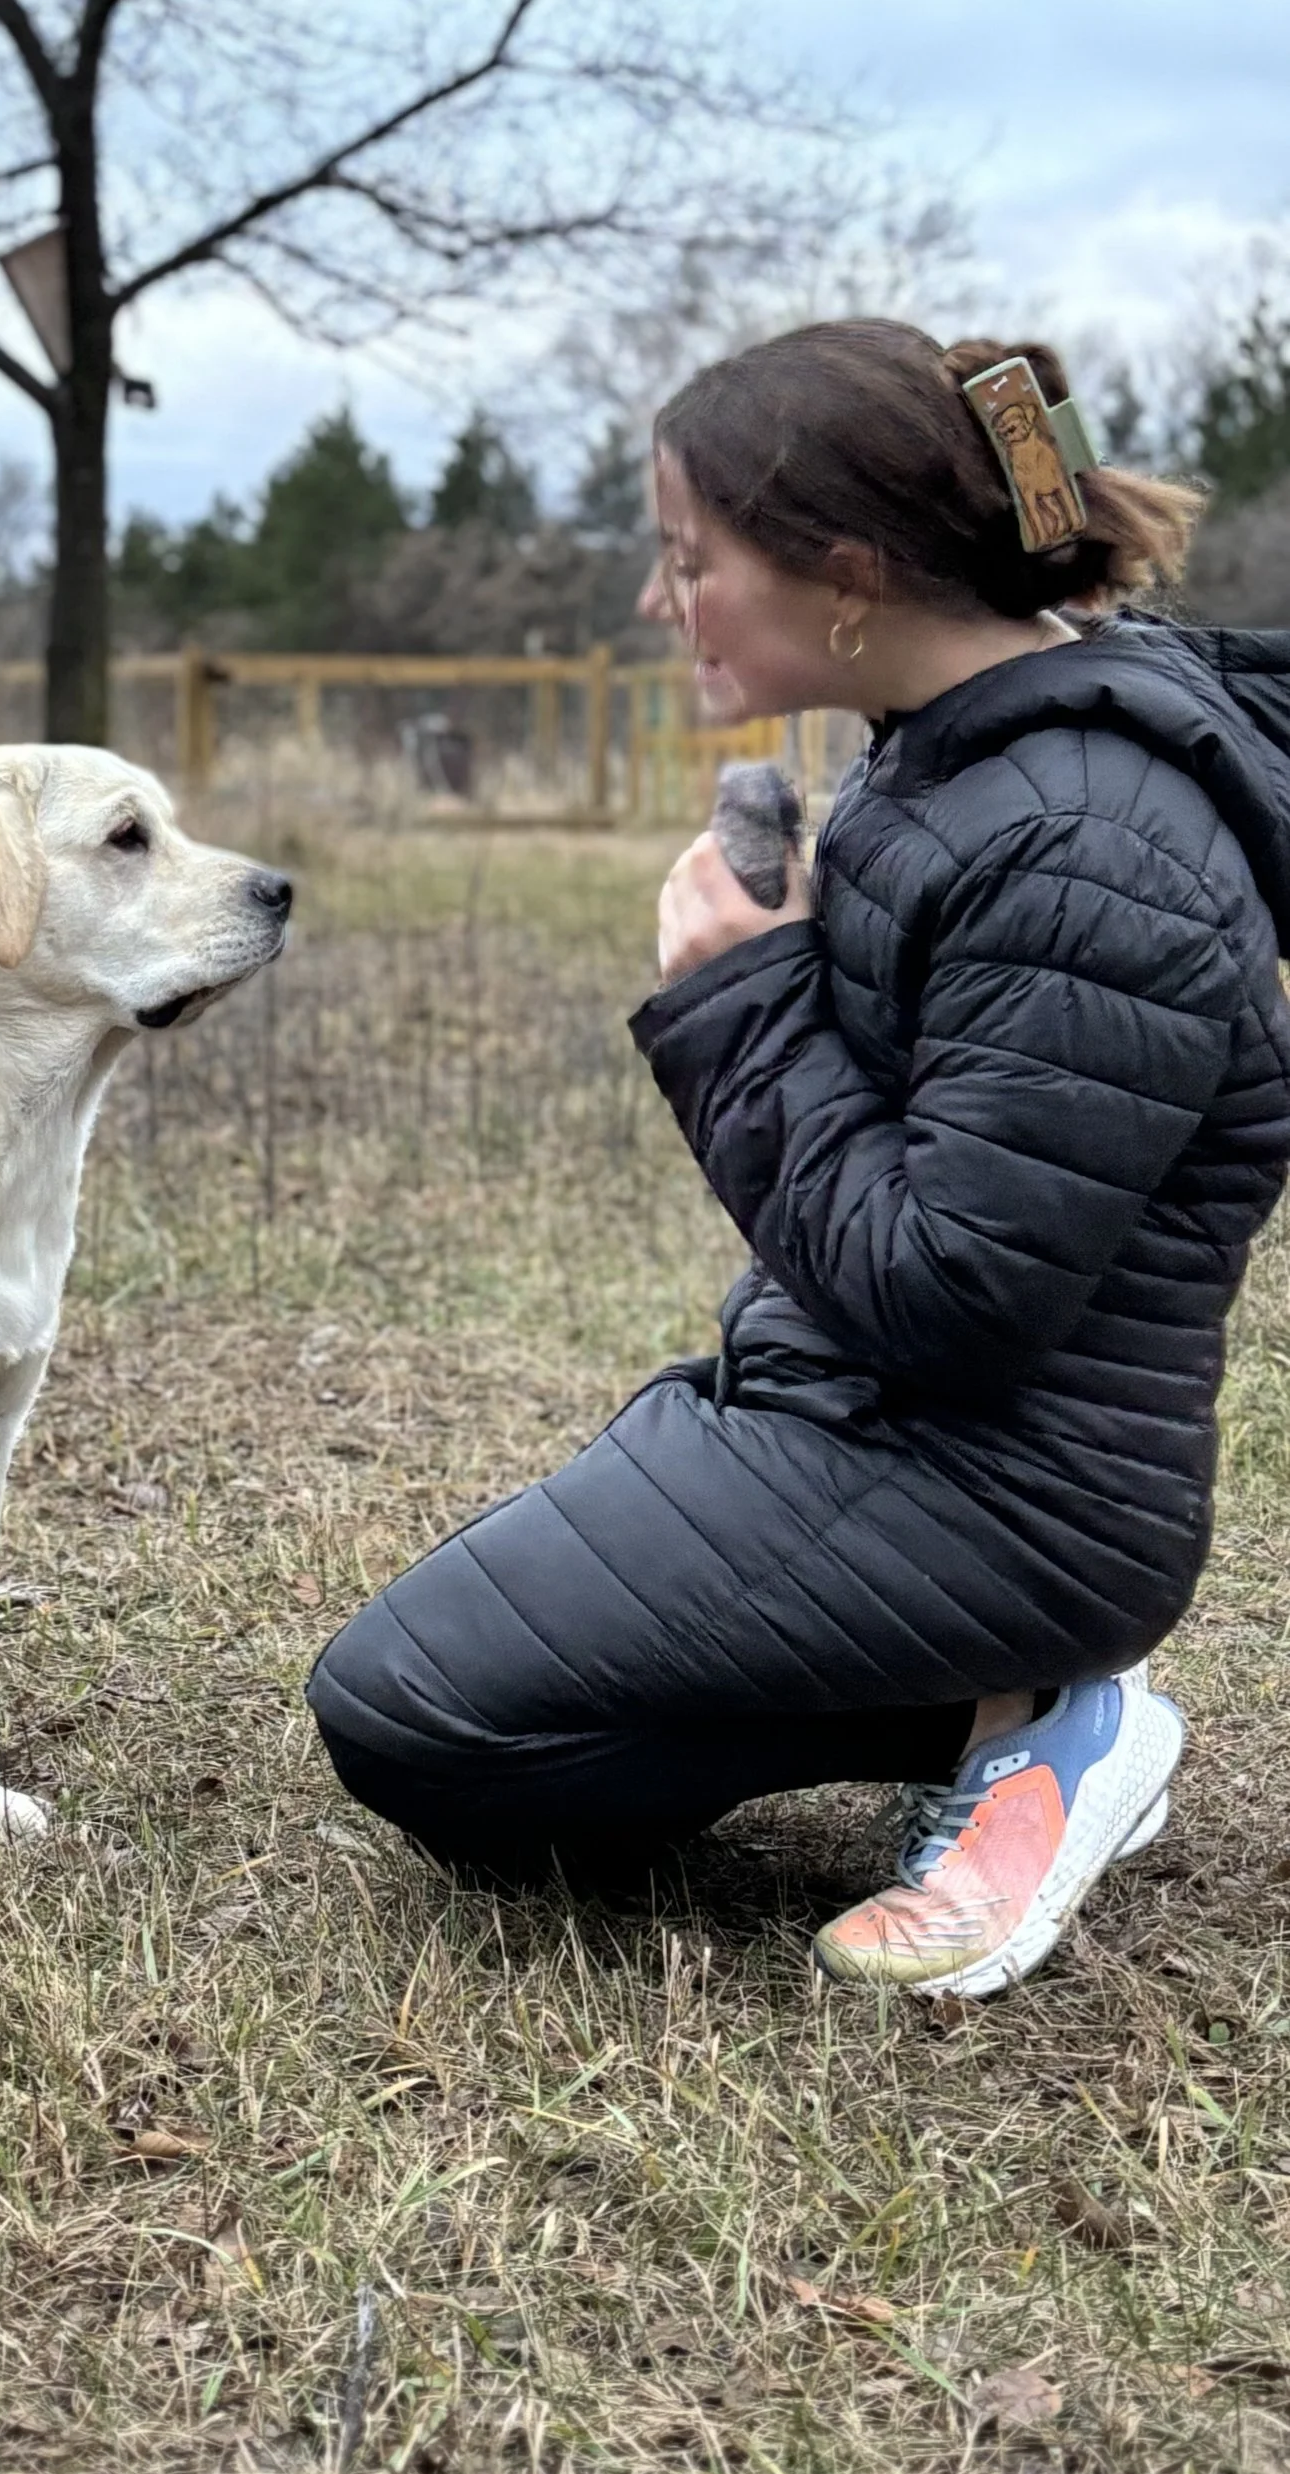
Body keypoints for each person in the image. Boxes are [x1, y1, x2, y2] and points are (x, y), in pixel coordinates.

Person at [307, 319, 1290, 1998]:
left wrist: (741, 996)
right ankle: (1004, 1698)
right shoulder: (956, 758)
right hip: (874, 1422)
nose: (655, 600)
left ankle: (1052, 1714)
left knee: (417, 1716)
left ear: (844, 575)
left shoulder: (1089, 838)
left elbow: (953, 1293)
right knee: (423, 1699)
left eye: (688, 559)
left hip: (1008, 1489)